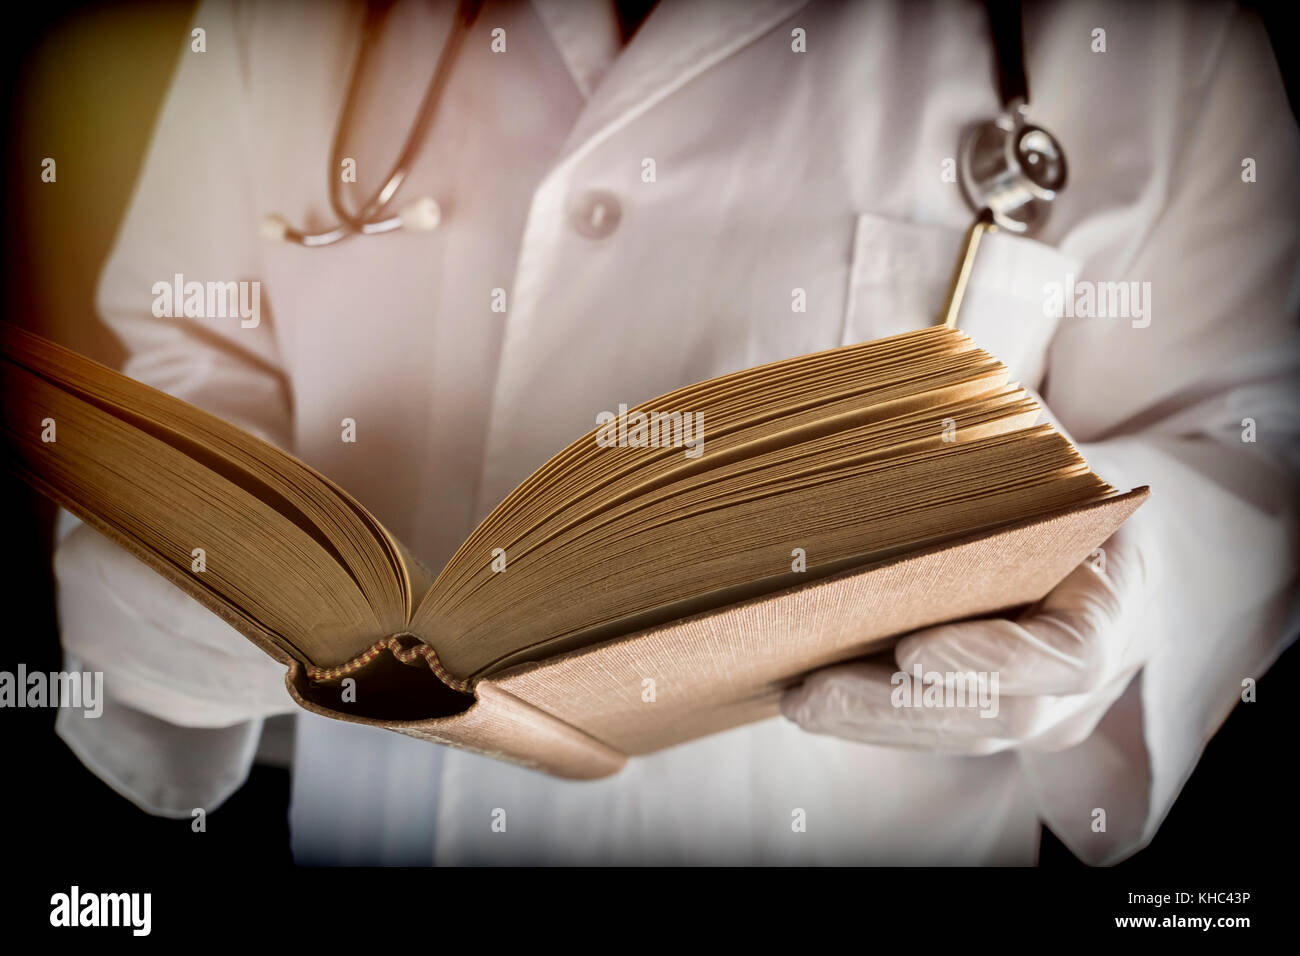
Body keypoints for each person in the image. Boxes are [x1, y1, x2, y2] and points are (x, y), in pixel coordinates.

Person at [52, 0, 1299, 864]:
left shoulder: (1160, 45)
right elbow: (182, 356)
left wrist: (1126, 590)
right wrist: (178, 566)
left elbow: (1243, 441)